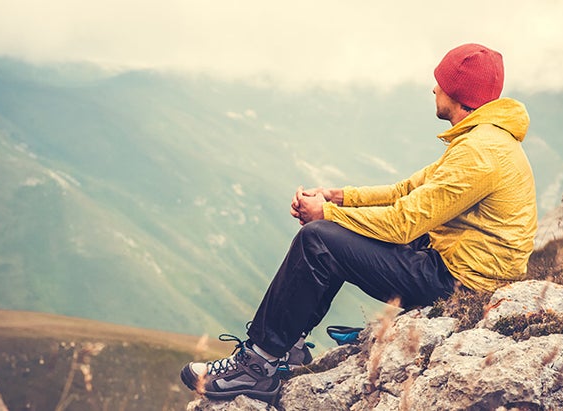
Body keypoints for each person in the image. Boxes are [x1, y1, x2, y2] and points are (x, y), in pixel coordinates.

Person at [180, 43, 537, 402]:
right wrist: (338, 197)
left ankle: (257, 365)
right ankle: (288, 348)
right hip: (460, 264)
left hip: (460, 281)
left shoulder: (478, 153)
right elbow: (406, 190)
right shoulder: (484, 140)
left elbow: (403, 224)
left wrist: (326, 215)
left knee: (318, 240)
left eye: (440, 83)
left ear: (458, 94)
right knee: (336, 234)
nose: (434, 89)